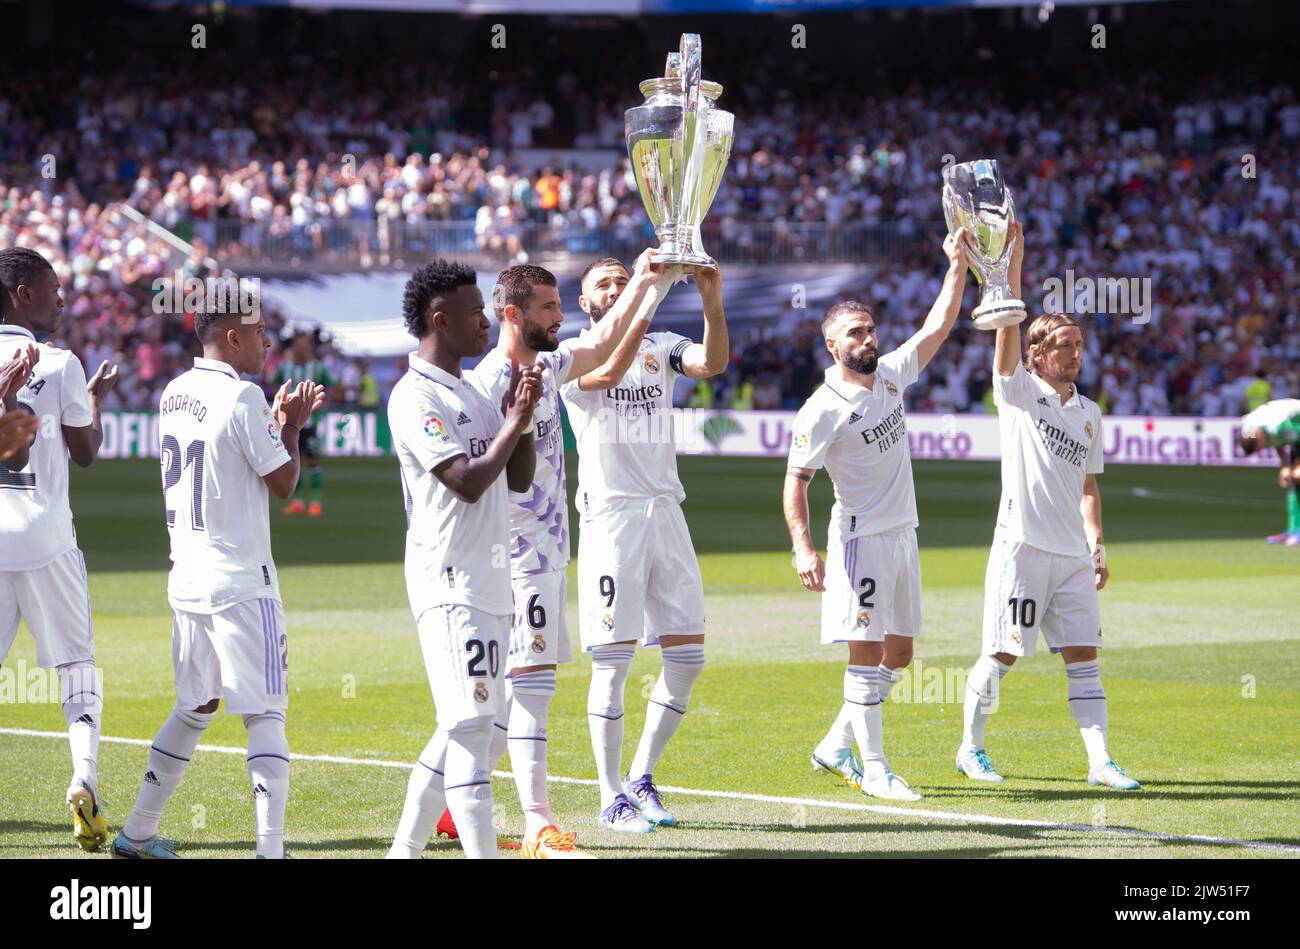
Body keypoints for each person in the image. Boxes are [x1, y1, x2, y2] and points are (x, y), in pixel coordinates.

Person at [432, 255, 672, 858]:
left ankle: (448, 810)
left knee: (502, 697)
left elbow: (603, 348)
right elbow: (473, 480)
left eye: (561, 305)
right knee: (530, 690)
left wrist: (648, 279)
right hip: (511, 560)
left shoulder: (547, 363)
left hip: (544, 553)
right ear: (513, 313)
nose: (561, 316)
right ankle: (539, 822)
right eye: (549, 307)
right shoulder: (486, 387)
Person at [112, 305, 324, 859]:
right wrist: (292, 425)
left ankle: (135, 833)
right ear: (233, 338)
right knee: (265, 713)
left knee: (194, 706)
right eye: (260, 334)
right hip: (239, 582)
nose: (268, 343)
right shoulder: (244, 395)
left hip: (186, 576)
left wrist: (273, 425)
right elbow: (284, 483)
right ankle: (270, 851)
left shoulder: (172, 392)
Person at [783, 230, 970, 802]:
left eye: (869, 329)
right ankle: (875, 769)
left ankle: (835, 745)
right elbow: (795, 482)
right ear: (832, 345)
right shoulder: (822, 410)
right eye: (854, 333)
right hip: (859, 540)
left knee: (902, 653)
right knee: (865, 655)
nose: (868, 338)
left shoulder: (889, 373)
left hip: (902, 535)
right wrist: (803, 547)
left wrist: (957, 266)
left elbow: (937, 327)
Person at [956, 222, 1140, 791]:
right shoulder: (1018, 393)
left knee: (1084, 657)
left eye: (1079, 345)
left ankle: (1100, 761)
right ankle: (970, 747)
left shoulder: (1090, 412)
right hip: (1024, 547)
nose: (1076, 354)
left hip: (1072, 556)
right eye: (1065, 345)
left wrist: (1097, 542)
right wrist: (1012, 265)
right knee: (1005, 652)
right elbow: (1008, 327)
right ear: (1037, 352)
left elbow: (1089, 484)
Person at [558, 256, 725, 833]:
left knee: (687, 657)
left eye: (619, 280)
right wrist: (647, 293)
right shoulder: (576, 353)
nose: (615, 287)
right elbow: (606, 373)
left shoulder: (663, 343)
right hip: (612, 519)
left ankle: (641, 776)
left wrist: (710, 296)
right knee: (614, 664)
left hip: (665, 513)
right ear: (586, 304)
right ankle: (609, 797)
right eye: (602, 283)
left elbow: (713, 362)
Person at [386, 260, 541, 860]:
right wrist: (512, 422)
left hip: (488, 579)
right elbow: (466, 481)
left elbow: (519, 479)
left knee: (465, 726)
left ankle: (403, 853)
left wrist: (518, 423)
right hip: (448, 580)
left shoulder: (473, 390)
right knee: (475, 732)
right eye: (475, 312)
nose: (485, 321)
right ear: (439, 319)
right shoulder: (413, 397)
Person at [0, 246, 118, 852]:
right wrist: (90, 398)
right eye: (52, 289)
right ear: (22, 294)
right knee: (76, 667)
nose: (62, 299)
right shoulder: (60, 361)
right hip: (45, 535)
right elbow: (86, 451)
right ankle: (85, 777)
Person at [274, 331, 335, 517]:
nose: (302, 348)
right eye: (299, 344)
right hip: (289, 424)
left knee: (313, 460)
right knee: (293, 461)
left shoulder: (318, 368)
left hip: (311, 423)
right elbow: (273, 383)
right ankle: (298, 502)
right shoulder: (285, 367)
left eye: (305, 345)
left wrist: (322, 402)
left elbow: (331, 385)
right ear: (293, 347)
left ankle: (316, 502)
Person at [1238, 398, 1300, 546]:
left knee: (1298, 475)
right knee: (1292, 480)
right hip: (1294, 431)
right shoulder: (1249, 427)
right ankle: (1292, 531)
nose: (1262, 449)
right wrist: (1285, 466)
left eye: (1260, 447)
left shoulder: (1280, 425)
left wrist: (1296, 464)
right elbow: (1275, 441)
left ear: (1258, 437)